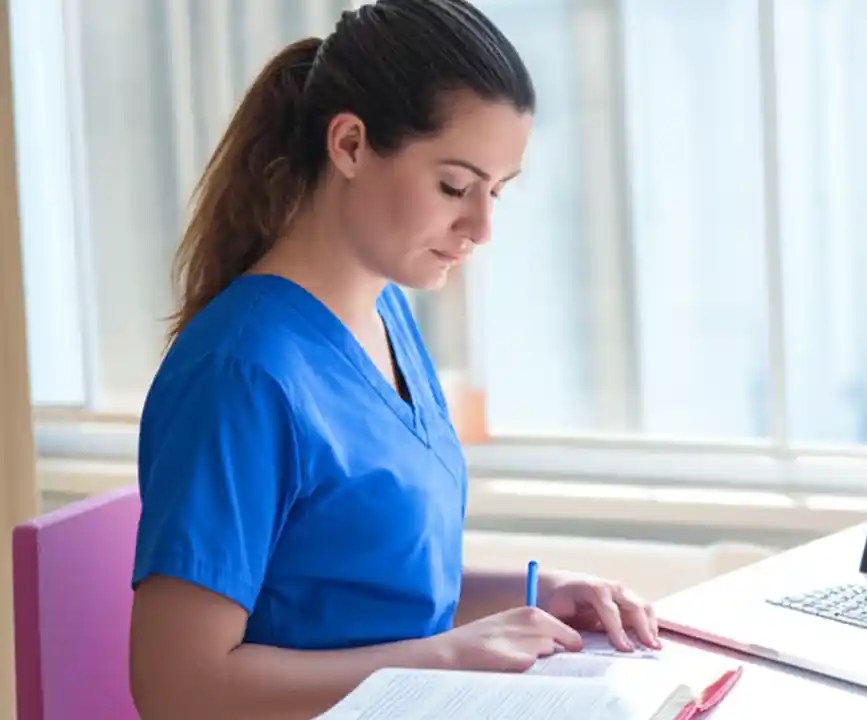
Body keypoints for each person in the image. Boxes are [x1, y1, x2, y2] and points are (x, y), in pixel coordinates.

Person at [127, 2, 660, 717]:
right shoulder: (242, 375)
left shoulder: (386, 315)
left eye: (497, 192)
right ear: (349, 145)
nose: (482, 227)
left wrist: (537, 594)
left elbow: (366, 589)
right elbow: (177, 687)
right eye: (454, 187)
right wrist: (449, 656)